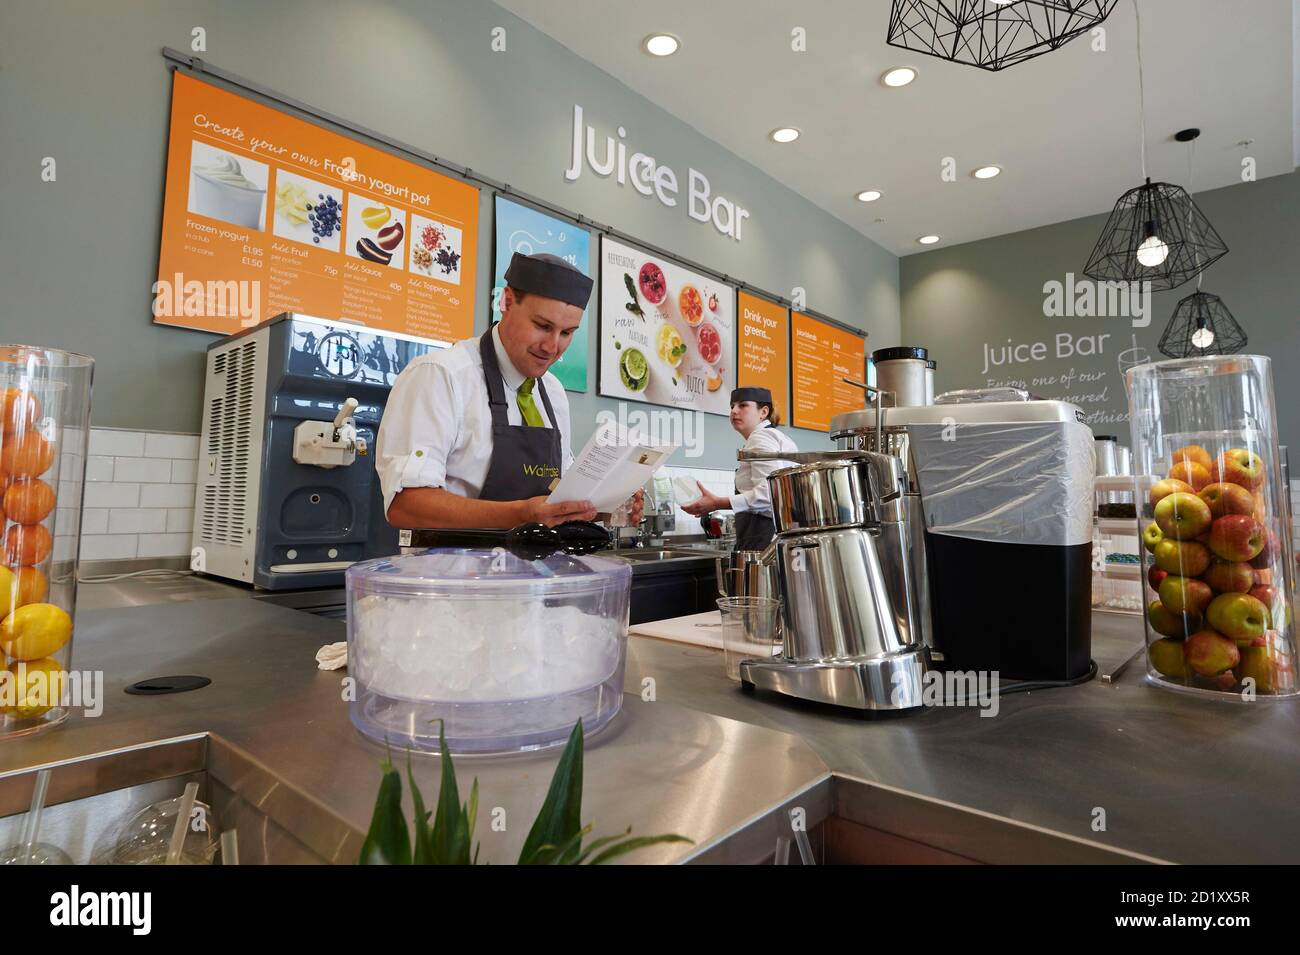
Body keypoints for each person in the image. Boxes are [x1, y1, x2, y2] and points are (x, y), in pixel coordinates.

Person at [375, 251, 643, 529]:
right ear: (507, 301)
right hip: (450, 570)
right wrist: (522, 514)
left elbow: (555, 497)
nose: (552, 347)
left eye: (566, 333)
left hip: (535, 571)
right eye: (542, 326)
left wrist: (598, 508)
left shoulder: (553, 393)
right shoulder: (440, 376)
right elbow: (405, 506)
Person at [681, 387, 797, 550]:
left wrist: (717, 503)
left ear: (763, 412)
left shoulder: (761, 437)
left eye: (743, 405)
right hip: (770, 535)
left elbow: (770, 494)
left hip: (763, 538)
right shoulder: (774, 437)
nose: (734, 411)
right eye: (732, 406)